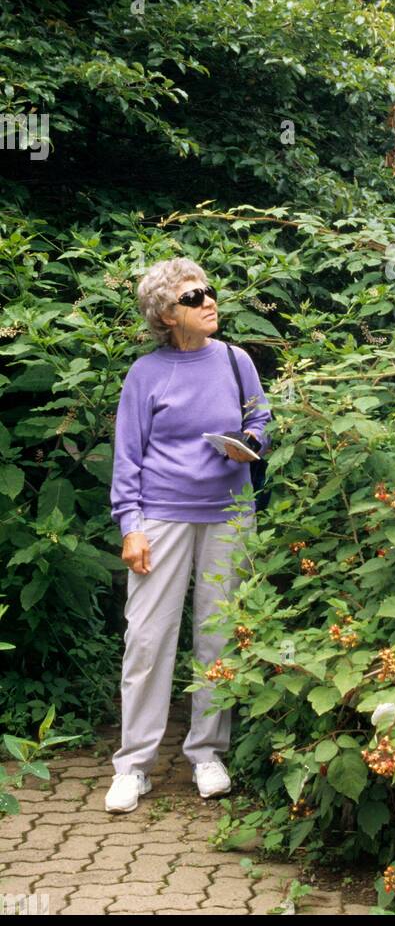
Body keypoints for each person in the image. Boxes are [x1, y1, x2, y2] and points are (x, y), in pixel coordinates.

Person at [105, 257, 271, 814]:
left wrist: (249, 439)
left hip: (230, 514)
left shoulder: (235, 360)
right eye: (194, 296)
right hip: (161, 516)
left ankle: (207, 754)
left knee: (217, 637)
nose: (209, 302)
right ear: (166, 315)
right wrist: (131, 526)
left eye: (209, 291)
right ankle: (133, 766)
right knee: (148, 641)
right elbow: (127, 456)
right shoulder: (146, 374)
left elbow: (261, 419)